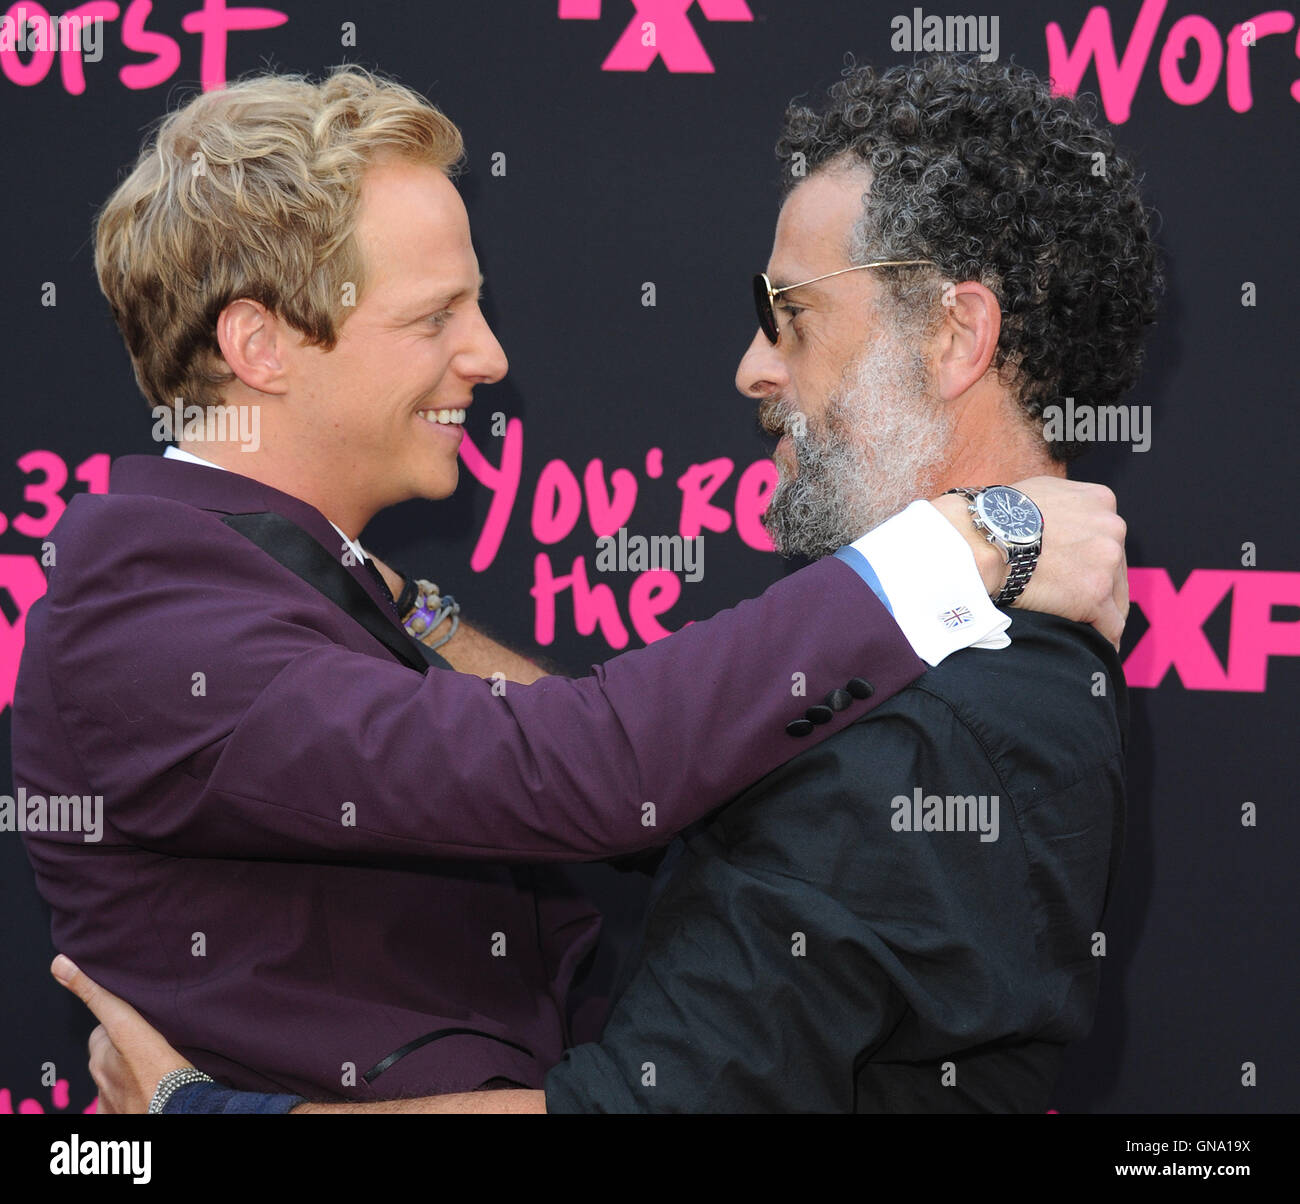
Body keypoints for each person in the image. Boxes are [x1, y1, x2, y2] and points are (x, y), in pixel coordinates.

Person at [32, 62, 1130, 1112]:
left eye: (789, 314)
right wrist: (972, 539)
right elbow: (579, 768)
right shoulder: (150, 610)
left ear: (959, 335)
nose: (491, 355)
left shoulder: (962, 716)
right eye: (433, 316)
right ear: (259, 345)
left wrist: (412, 612)